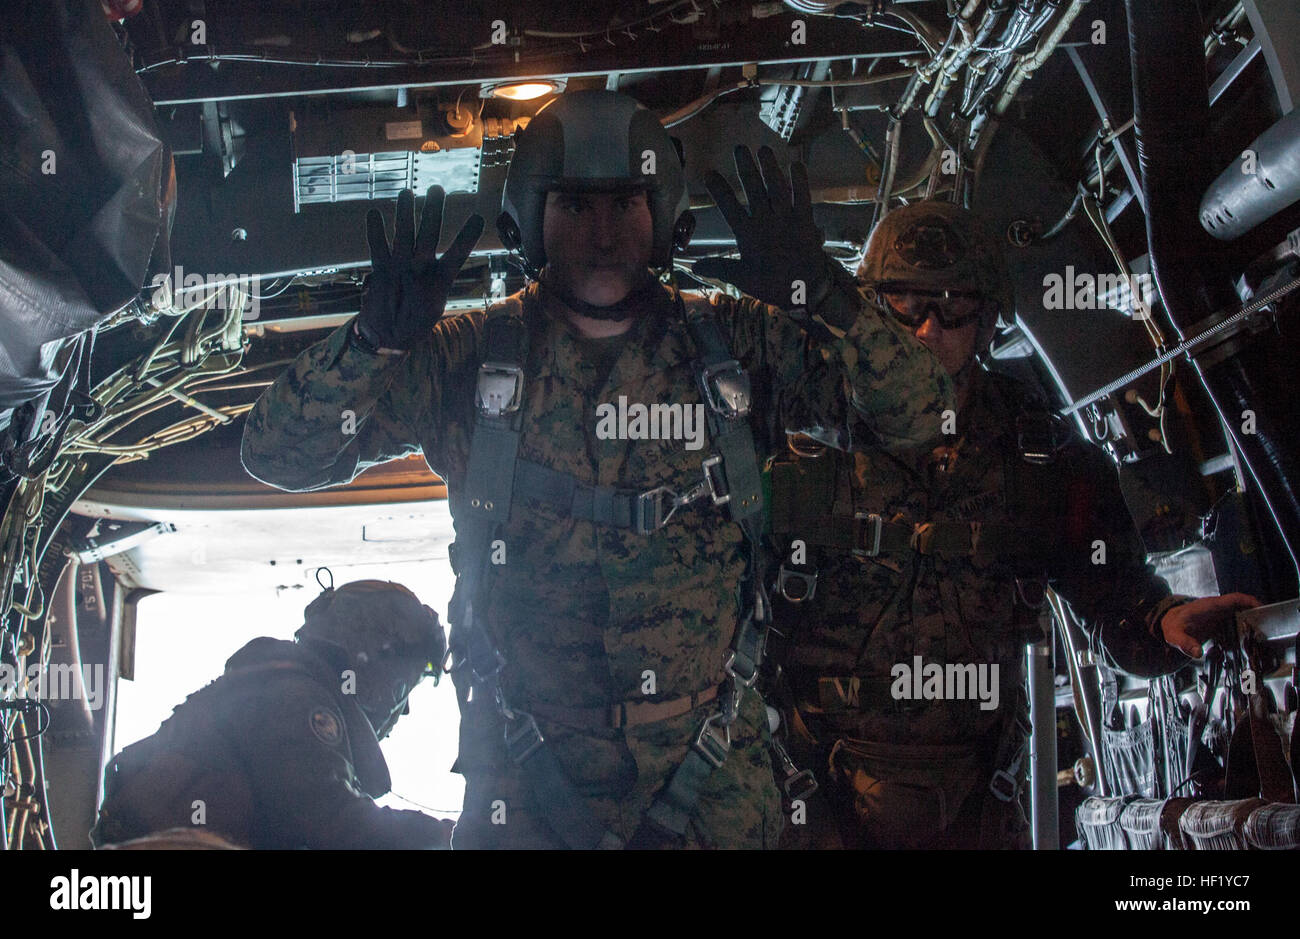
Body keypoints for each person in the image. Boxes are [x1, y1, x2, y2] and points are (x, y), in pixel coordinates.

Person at [240, 89, 954, 849]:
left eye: (626, 203)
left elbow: (924, 417)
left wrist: (828, 295)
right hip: (524, 780)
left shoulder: (737, 346)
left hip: (712, 777)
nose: (605, 231)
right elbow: (279, 454)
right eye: (576, 206)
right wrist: (371, 342)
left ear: (666, 215)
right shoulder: (470, 359)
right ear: (529, 219)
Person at [767, 200, 1260, 849]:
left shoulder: (1043, 459)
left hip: (979, 802)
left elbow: (1115, 599)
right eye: (904, 306)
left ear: (990, 315)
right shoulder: (800, 438)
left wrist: (1165, 621)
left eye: (951, 306)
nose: (926, 330)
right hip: (812, 799)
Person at [90, 579, 452, 849]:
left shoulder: (278, 686)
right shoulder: (296, 700)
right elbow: (336, 825)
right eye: (408, 686)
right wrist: (461, 838)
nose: (403, 709)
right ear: (379, 657)